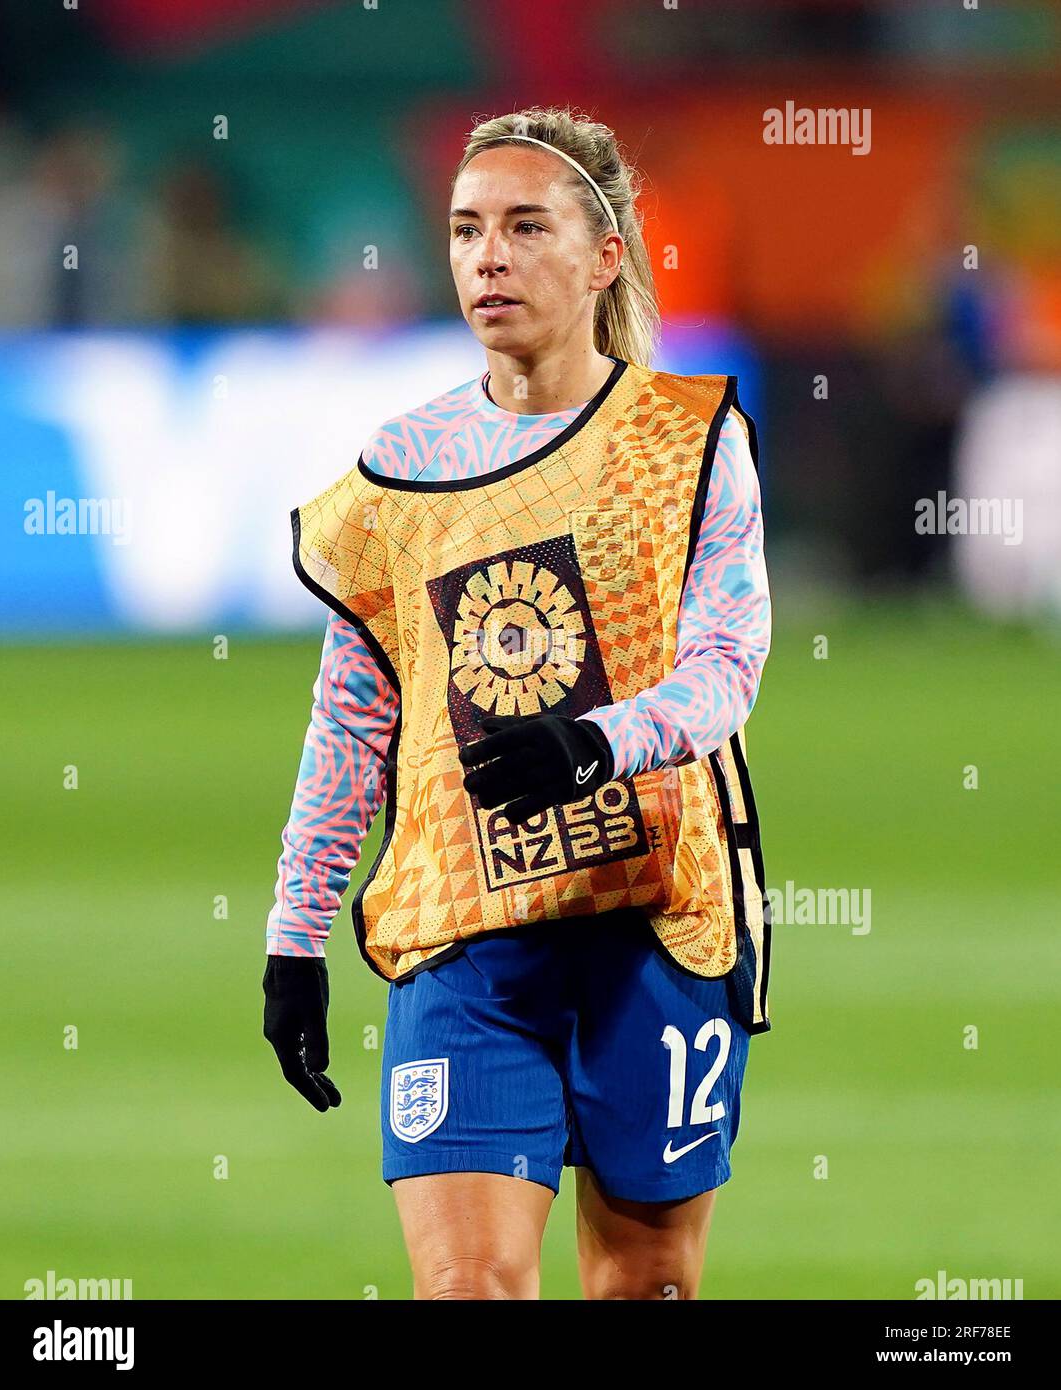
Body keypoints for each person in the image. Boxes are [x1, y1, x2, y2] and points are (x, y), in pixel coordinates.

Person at [263, 106, 772, 1300]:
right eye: (464, 229)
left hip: (654, 918)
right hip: (461, 932)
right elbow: (350, 721)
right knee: (469, 1289)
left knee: (645, 1285)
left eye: (523, 226)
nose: (487, 255)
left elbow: (726, 667)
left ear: (604, 257)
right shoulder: (401, 466)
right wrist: (295, 932)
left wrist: (595, 744)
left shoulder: (688, 440)